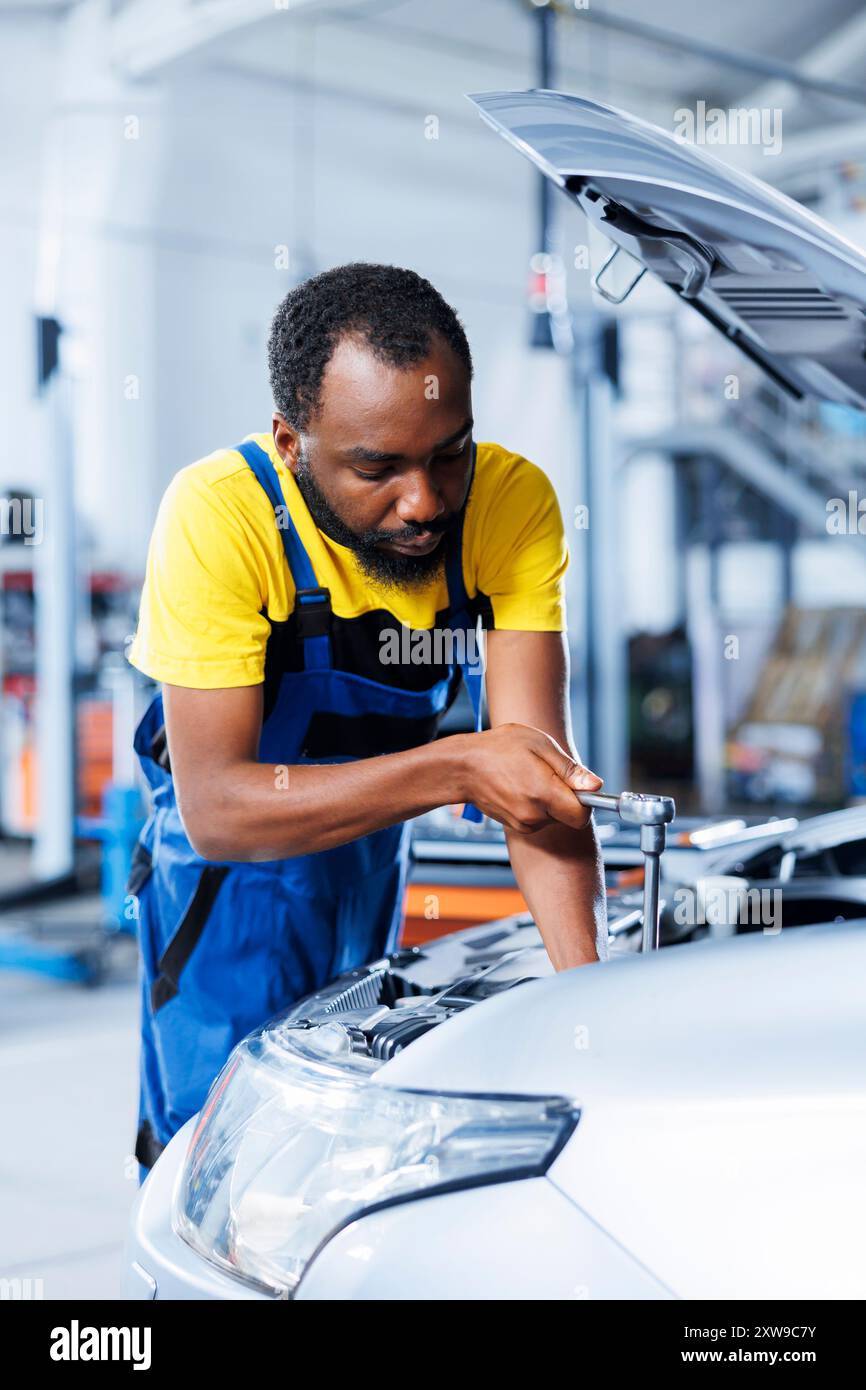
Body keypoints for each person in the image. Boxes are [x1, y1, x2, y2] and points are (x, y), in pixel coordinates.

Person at [127, 262, 606, 1175]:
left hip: (368, 853)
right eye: (377, 468)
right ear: (291, 441)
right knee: (219, 1159)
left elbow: (535, 782)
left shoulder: (512, 502)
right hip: (225, 891)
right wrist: (460, 767)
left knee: (345, 1140)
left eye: (447, 453)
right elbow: (220, 810)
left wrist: (594, 1000)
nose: (424, 503)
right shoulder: (218, 518)